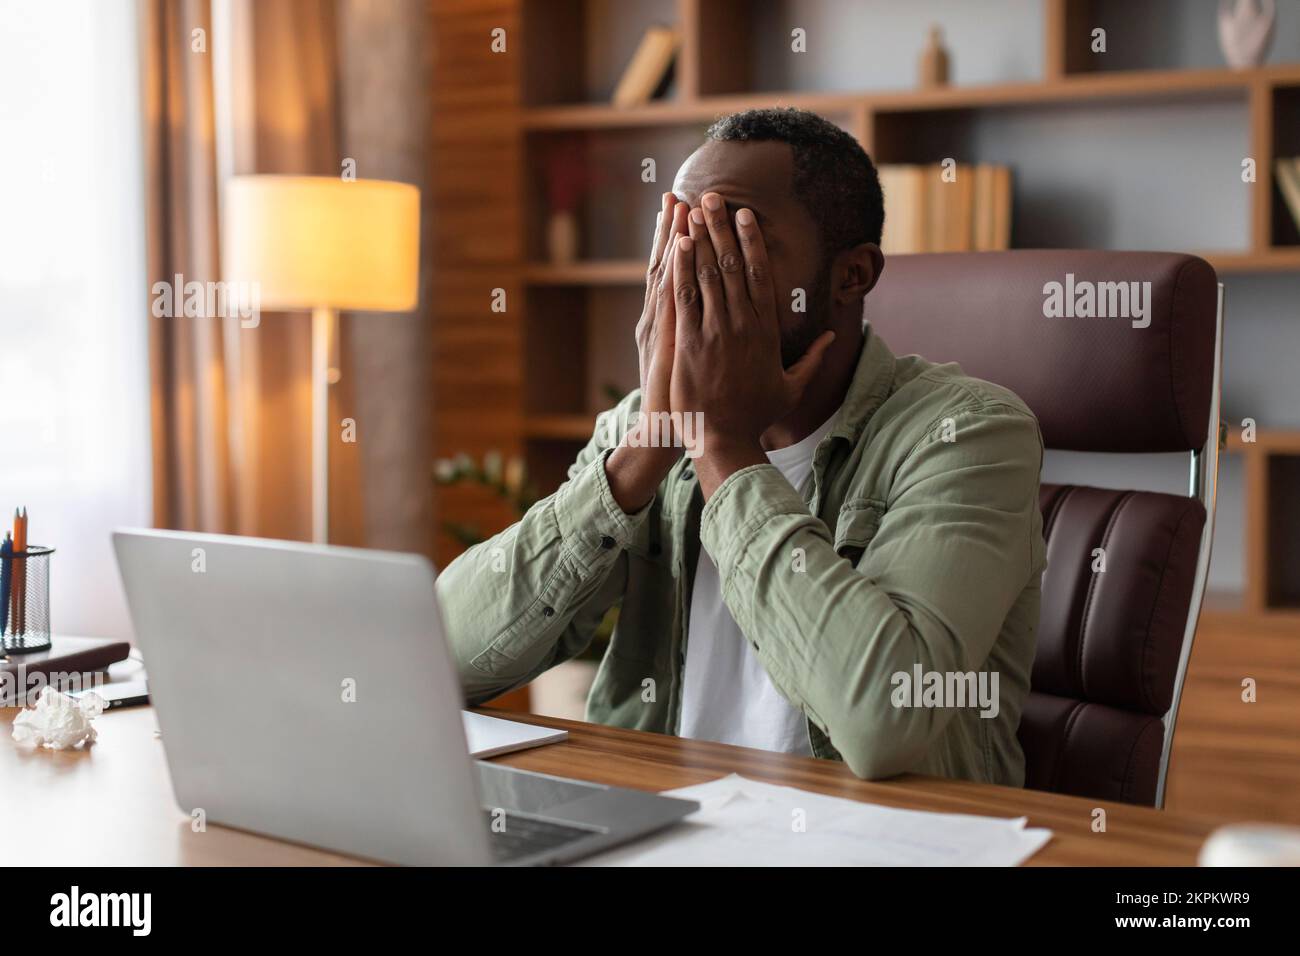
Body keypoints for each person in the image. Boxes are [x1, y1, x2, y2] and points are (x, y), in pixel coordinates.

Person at [438, 108, 1045, 785]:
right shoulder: (649, 428)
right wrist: (650, 447)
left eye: (733, 236)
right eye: (679, 235)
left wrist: (722, 445)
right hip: (663, 830)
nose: (691, 270)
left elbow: (884, 722)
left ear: (852, 275)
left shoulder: (967, 433)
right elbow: (439, 661)